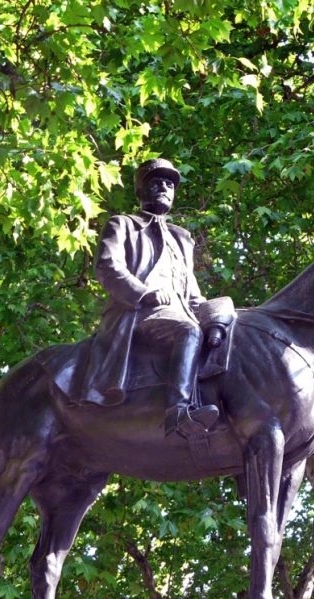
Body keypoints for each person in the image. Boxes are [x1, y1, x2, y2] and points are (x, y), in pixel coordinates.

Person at [76, 158, 219, 437]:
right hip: (138, 314)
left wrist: (215, 314)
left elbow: (192, 294)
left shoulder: (182, 239)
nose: (163, 188)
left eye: (169, 184)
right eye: (155, 183)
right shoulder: (122, 224)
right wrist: (144, 293)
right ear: (141, 191)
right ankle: (178, 412)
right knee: (188, 332)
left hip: (180, 313)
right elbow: (108, 266)